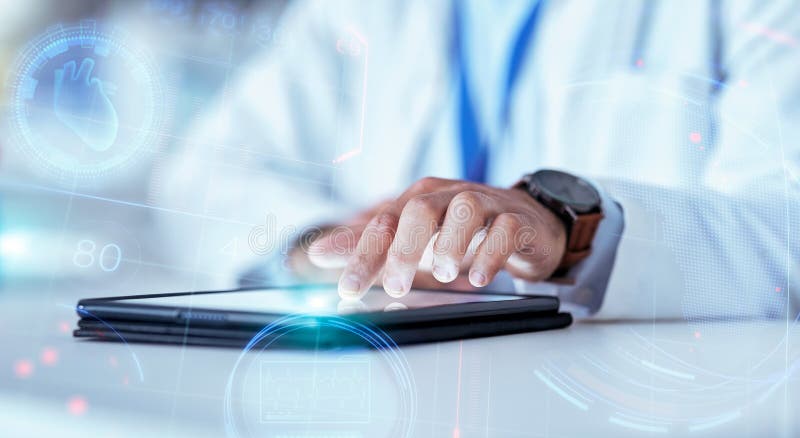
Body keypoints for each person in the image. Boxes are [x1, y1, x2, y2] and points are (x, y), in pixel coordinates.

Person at [157, 0, 799, 320]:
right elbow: (199, 177)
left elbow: (787, 237)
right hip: (397, 406)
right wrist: (328, 246)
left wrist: (566, 229)